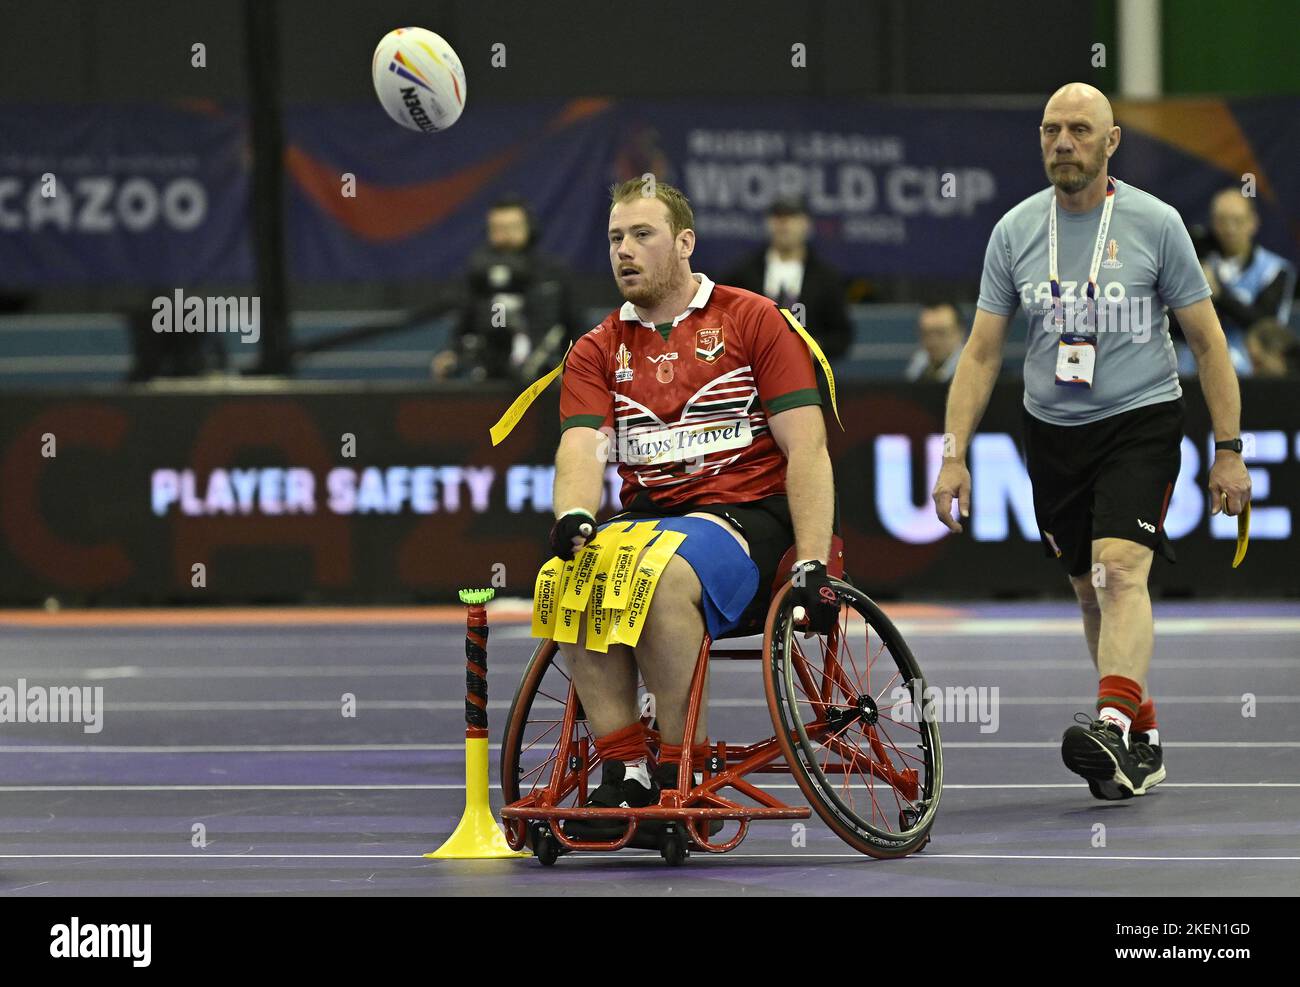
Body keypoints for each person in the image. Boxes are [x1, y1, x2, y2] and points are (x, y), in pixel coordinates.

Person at [931, 83, 1252, 801]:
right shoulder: (1015, 230)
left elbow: (1207, 341)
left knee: (1119, 569)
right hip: (1052, 432)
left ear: (1111, 143)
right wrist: (953, 453)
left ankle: (1109, 723)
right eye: (1051, 130)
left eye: (1079, 130)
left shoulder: (1156, 223)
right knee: (1086, 587)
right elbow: (981, 354)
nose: (1062, 143)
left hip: (1140, 420)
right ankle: (1142, 739)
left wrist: (1229, 448)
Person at [540, 177, 837, 841]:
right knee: (568, 577)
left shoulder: (753, 319)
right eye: (615, 237)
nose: (624, 249)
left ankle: (680, 768)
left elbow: (808, 448)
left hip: (746, 518)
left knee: (665, 578)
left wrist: (814, 560)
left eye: (641, 234)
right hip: (647, 519)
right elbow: (581, 449)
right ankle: (626, 773)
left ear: (684, 242)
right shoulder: (595, 347)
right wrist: (572, 515)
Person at [432, 197, 576, 382]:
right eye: (497, 229)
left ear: (529, 228)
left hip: (542, 379)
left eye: (512, 227)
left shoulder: (553, 273)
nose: (505, 236)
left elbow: (574, 326)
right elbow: (463, 326)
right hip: (489, 379)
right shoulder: (478, 275)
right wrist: (450, 353)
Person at [1177, 189, 1296, 376]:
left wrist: (1219, 295)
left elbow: (1265, 324)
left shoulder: (1274, 270)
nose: (1230, 229)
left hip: (1251, 370)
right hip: (1194, 367)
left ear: (1253, 222)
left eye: (1237, 221)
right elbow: (1175, 321)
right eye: (1222, 221)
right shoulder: (1197, 264)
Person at [723, 196, 854, 361]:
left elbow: (841, 335)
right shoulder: (743, 274)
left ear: (806, 223)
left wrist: (815, 348)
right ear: (769, 223)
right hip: (752, 377)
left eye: (792, 217)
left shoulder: (826, 279)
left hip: (807, 380)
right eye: (778, 217)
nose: (784, 224)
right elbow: (722, 321)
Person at [904, 303, 966, 383]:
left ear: (960, 333)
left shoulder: (973, 370)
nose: (933, 341)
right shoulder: (919, 364)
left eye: (941, 333)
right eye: (926, 334)